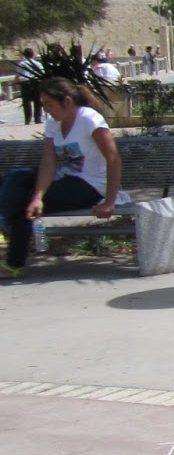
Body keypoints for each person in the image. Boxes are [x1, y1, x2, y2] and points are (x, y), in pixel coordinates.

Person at [0, 77, 125, 280]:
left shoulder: (89, 119)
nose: (46, 110)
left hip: (91, 185)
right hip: (64, 177)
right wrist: (38, 197)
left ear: (67, 101)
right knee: (14, 178)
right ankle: (3, 222)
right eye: (44, 105)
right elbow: (48, 164)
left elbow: (114, 159)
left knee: (24, 202)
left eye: (49, 105)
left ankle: (15, 263)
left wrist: (110, 201)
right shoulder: (53, 123)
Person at [15, 47, 44, 124]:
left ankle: (28, 119)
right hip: (36, 83)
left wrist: (16, 82)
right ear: (33, 54)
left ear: (24, 55)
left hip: (25, 83)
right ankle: (38, 119)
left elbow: (18, 75)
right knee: (37, 101)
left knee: (26, 102)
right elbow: (42, 74)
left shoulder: (21, 64)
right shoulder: (38, 63)